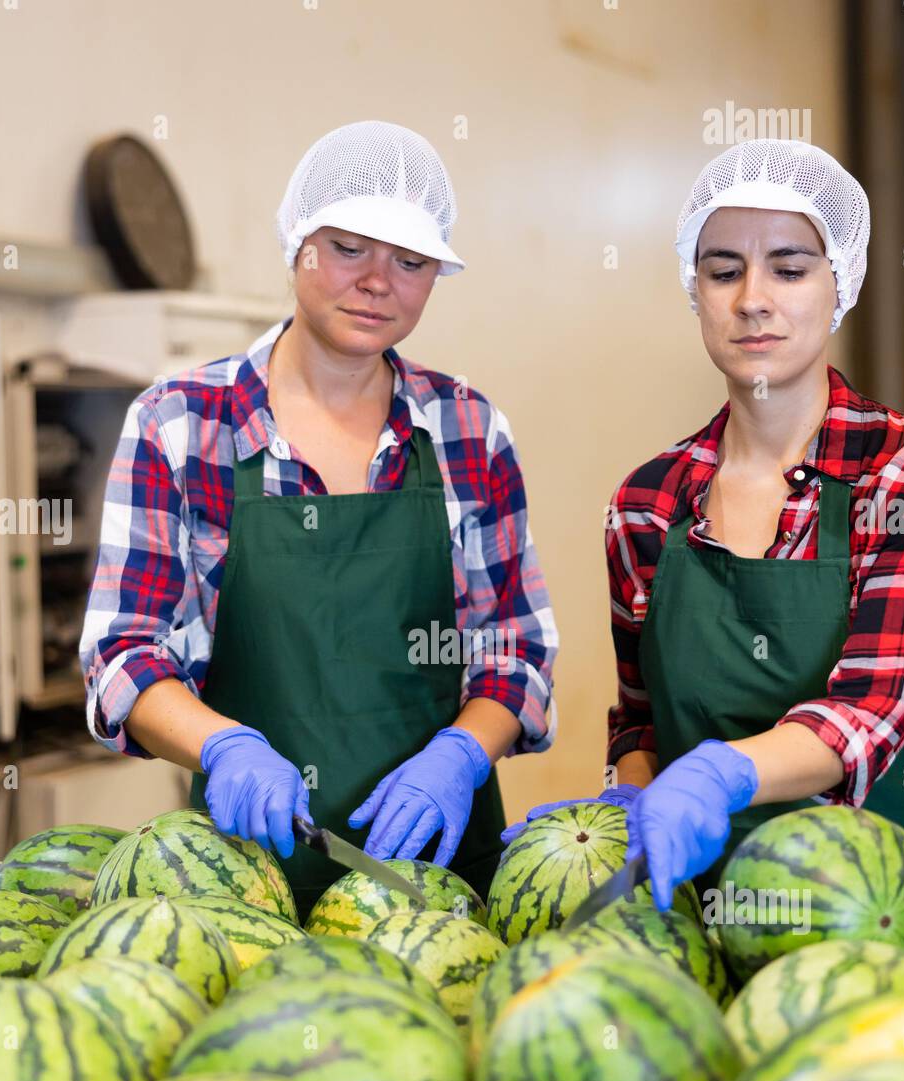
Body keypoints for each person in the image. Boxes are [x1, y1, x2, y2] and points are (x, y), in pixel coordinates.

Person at [506, 137, 904, 916]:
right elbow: (640, 719)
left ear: (843, 283)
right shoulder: (648, 502)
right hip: (719, 906)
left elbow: (874, 707)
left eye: (791, 268)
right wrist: (624, 809)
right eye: (724, 270)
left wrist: (716, 775)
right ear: (693, 289)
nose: (752, 299)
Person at [80, 120, 557, 920]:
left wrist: (462, 753)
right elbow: (123, 657)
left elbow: (517, 655)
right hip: (242, 886)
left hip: (434, 887)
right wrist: (221, 747)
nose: (379, 281)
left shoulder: (468, 428)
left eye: (411, 261)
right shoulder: (181, 423)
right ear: (296, 244)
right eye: (348, 248)